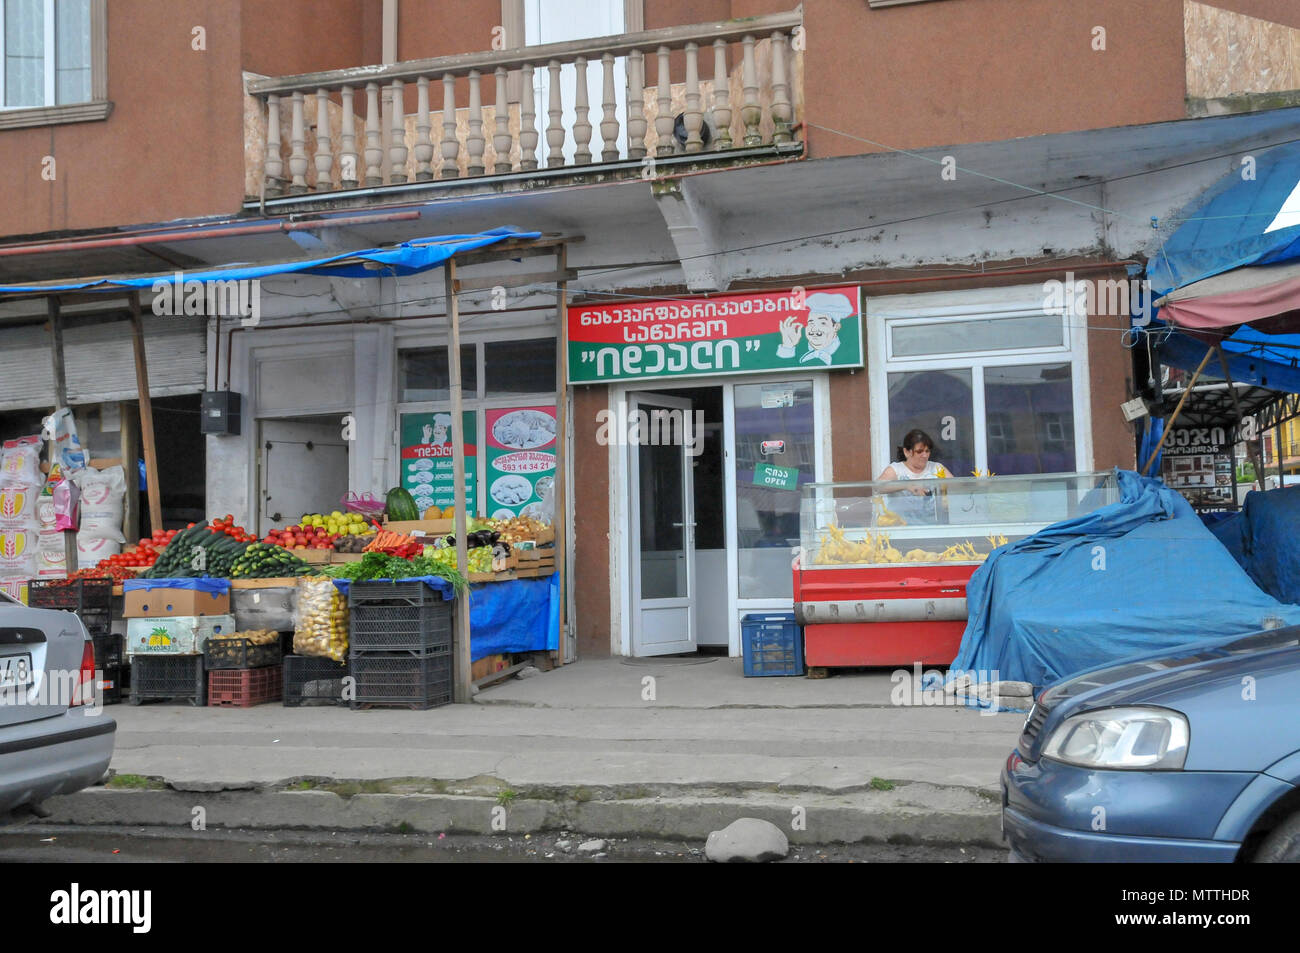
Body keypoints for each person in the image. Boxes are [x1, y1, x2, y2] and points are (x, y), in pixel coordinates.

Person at [876, 429, 950, 523]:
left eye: (927, 451)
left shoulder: (937, 468)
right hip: (902, 529)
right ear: (907, 452)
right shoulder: (896, 469)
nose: (925, 455)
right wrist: (906, 486)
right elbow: (876, 487)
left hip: (932, 528)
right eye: (919, 451)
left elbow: (956, 488)